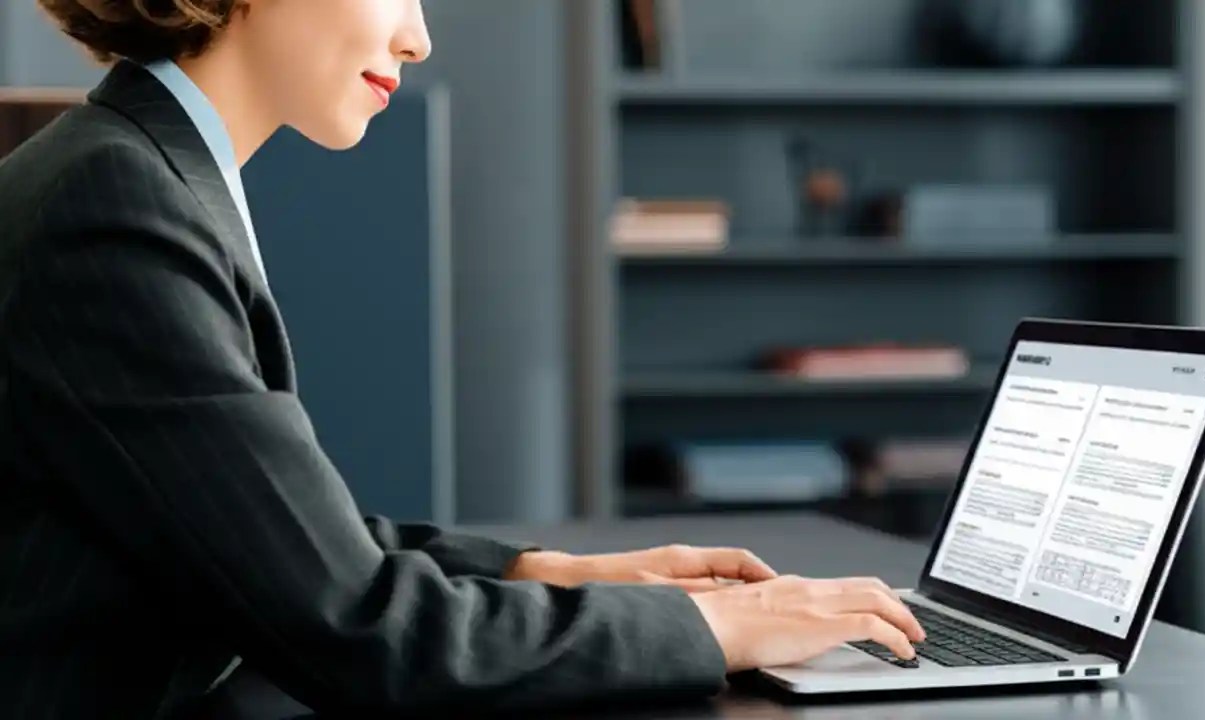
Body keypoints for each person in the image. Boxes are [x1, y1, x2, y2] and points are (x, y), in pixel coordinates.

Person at [0, 1, 924, 716]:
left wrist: (545, 571)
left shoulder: (129, 172)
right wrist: (716, 624)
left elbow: (260, 532)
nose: (420, 37)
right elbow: (361, 632)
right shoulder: (117, 204)